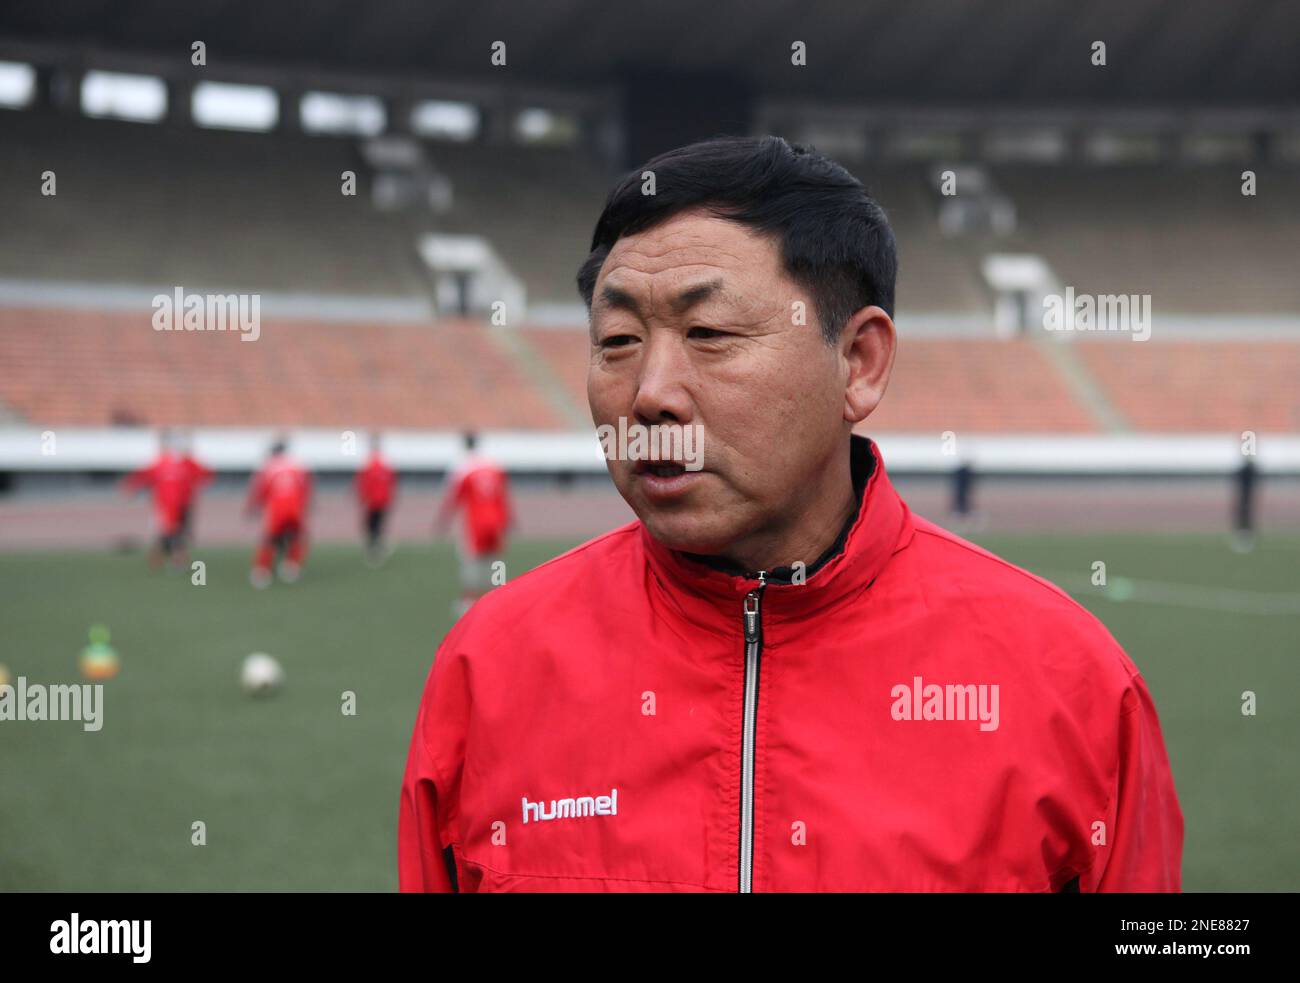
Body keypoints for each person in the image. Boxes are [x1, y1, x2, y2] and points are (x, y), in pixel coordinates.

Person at [399, 136, 1183, 893]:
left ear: (858, 362)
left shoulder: (1070, 685)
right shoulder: (487, 671)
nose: (649, 392)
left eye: (708, 333)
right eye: (618, 339)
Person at [434, 432, 512, 617]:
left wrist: (443, 521)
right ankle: (500, 596)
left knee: (470, 559)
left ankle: (469, 599)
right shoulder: (493, 465)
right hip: (496, 519)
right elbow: (503, 495)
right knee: (495, 558)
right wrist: (507, 519)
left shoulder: (462, 468)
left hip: (475, 522)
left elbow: (453, 499)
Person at [121, 429, 212, 569]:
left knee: (179, 534)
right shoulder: (161, 463)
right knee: (168, 533)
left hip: (184, 506)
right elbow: (143, 475)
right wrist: (131, 487)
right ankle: (170, 560)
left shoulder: (187, 462)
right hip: (164, 507)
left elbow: (206, 474)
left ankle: (170, 560)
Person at [245, 437, 311, 588]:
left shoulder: (268, 467)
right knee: (297, 537)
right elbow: (305, 488)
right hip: (295, 509)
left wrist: (253, 508)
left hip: (277, 511)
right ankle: (292, 567)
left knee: (269, 539)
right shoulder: (297, 466)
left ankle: (261, 571)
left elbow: (261, 490)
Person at [355, 433, 397, 565]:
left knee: (373, 524)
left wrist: (362, 497)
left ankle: (374, 547)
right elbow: (391, 482)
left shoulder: (369, 464)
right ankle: (376, 546)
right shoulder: (383, 464)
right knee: (376, 524)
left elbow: (362, 483)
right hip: (380, 499)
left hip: (373, 500)